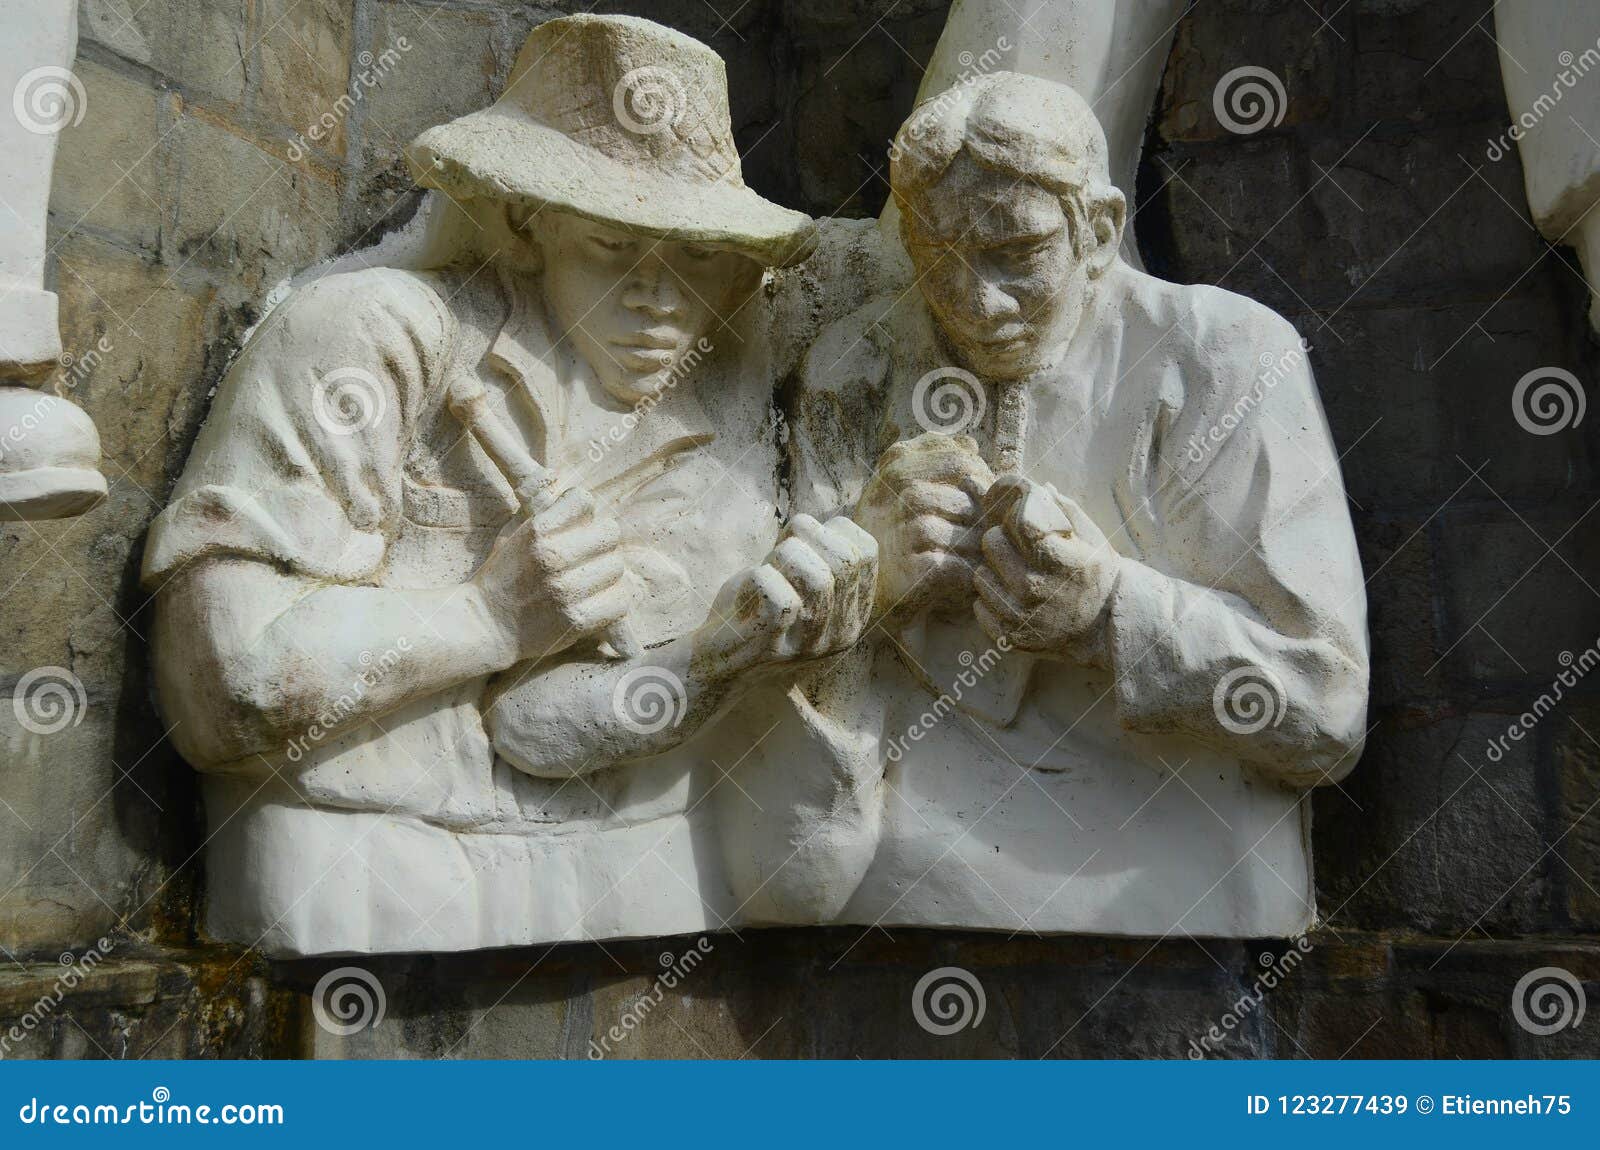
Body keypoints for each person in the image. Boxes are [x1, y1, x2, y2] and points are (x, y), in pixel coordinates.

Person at [141, 14, 872, 955]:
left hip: (629, 869)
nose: (659, 296)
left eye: (696, 253)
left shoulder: (710, 409)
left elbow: (544, 721)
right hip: (364, 858)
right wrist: (488, 617)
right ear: (528, 223)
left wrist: (728, 659)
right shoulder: (370, 337)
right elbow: (219, 687)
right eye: (615, 244)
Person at [786, 72, 1371, 935]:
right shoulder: (857, 365)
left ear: (1097, 228)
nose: (974, 302)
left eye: (1016, 252)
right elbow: (791, 678)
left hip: (1172, 853)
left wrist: (1109, 613)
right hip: (908, 847)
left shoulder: (1223, 359)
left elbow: (1325, 706)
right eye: (936, 258)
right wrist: (867, 573)